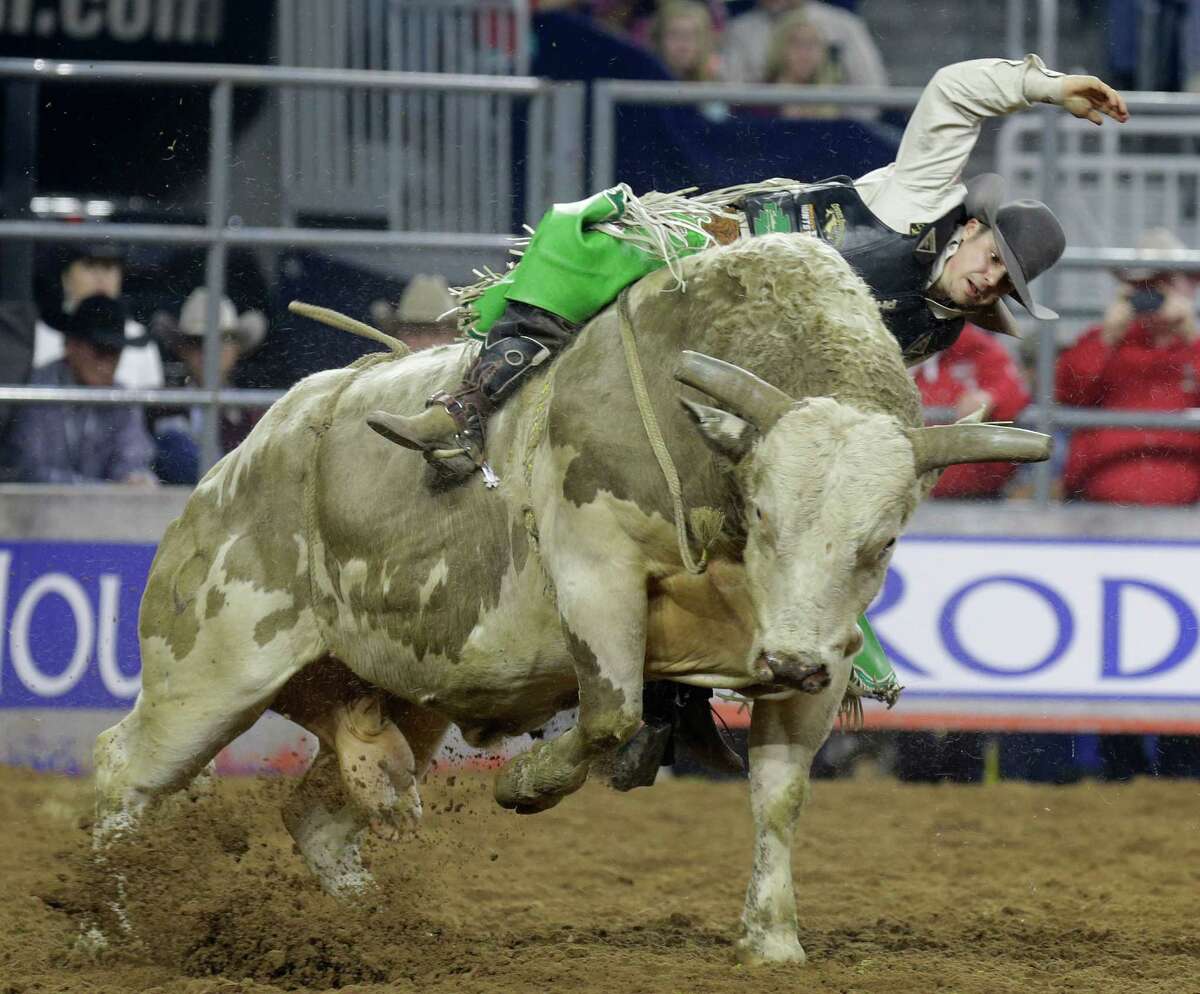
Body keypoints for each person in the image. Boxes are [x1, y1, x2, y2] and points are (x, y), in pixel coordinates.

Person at [367, 54, 1128, 779]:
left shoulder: (933, 327)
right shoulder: (918, 199)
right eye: (991, 258)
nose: (986, 279)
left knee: (740, 529)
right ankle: (465, 408)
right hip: (712, 268)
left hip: (750, 385)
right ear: (970, 228)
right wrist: (1044, 85)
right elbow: (955, 91)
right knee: (584, 236)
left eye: (1003, 280)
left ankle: (676, 693)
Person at [1057, 228, 1200, 505]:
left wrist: (1190, 337)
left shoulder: (1194, 347)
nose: (1154, 294)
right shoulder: (1100, 341)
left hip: (1188, 509)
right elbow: (1065, 396)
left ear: (1189, 286)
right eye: (1144, 283)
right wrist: (1108, 337)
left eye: (1166, 282)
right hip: (1098, 502)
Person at [5, 295, 156, 486]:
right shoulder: (35, 388)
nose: (108, 363)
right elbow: (29, 470)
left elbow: (133, 460)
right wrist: (108, 489)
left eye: (115, 352)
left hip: (106, 512)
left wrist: (136, 479)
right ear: (71, 345)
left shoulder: (122, 398)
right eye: (100, 350)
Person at [150, 287, 269, 483]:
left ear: (235, 349)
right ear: (183, 348)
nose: (209, 351)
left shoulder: (253, 412)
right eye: (198, 342)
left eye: (222, 340)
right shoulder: (161, 405)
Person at [914, 323, 1032, 499]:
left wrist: (990, 397)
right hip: (913, 493)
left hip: (977, 493)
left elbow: (1016, 389)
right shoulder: (898, 345)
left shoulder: (972, 344)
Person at [33, 242, 163, 391]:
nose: (101, 278)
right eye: (90, 266)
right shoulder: (38, 334)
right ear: (66, 277)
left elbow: (148, 402)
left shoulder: (138, 335)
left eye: (109, 267)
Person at [719, 0, 886, 100]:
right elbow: (731, 97)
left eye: (809, 44)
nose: (802, 53)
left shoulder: (844, 24)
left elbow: (872, 90)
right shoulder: (739, 29)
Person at [762, 10, 843, 119]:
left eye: (813, 43)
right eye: (796, 42)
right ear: (779, 48)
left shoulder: (838, 99)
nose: (804, 52)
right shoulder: (758, 98)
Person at [650, 0, 721, 82]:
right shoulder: (643, 80)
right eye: (674, 34)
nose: (683, 45)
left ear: (704, 41)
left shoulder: (716, 84)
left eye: (691, 35)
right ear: (658, 38)